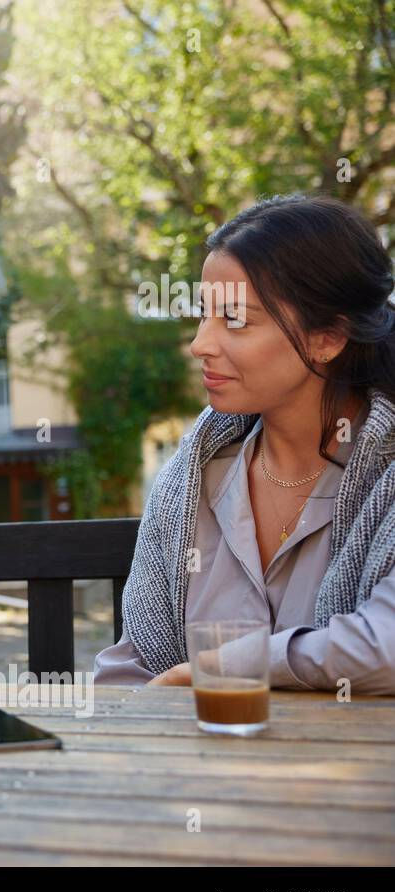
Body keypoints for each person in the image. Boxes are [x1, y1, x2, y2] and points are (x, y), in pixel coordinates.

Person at [95, 195, 395, 694]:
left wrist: (230, 667)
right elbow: (136, 668)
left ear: (328, 337)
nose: (200, 343)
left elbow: (383, 648)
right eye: (204, 315)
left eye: (234, 320)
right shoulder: (191, 479)